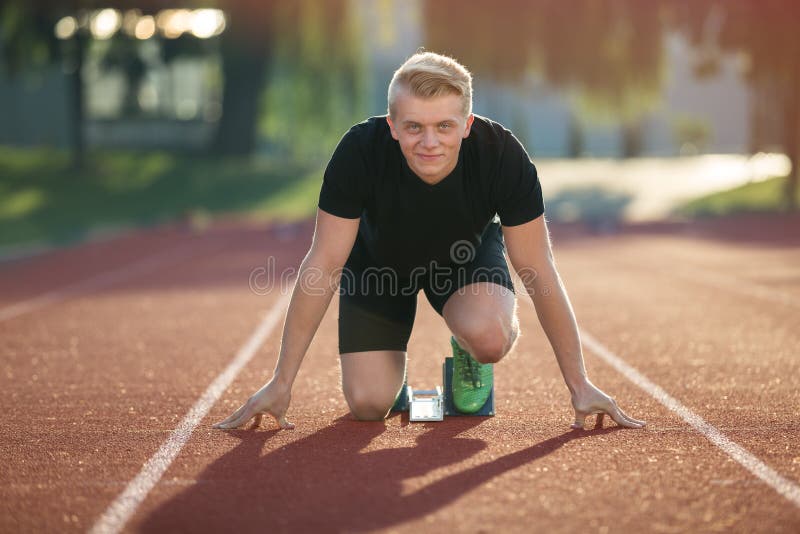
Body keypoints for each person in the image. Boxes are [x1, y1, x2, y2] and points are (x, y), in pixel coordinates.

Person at [214, 51, 645, 431]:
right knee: (368, 405)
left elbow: (537, 267)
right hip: (378, 266)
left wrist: (580, 384)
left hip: (464, 260)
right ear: (393, 127)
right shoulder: (359, 152)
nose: (430, 141)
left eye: (444, 126)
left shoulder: (502, 156)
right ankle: (390, 383)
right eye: (414, 126)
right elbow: (324, 262)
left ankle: (468, 349)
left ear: (467, 125)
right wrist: (281, 382)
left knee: (490, 337)